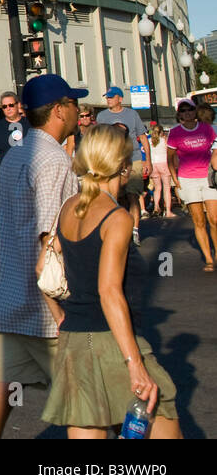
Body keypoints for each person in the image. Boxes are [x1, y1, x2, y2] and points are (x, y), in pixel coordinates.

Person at [39, 125, 181, 438]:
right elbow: (109, 292)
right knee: (161, 416)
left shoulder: (68, 208)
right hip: (114, 341)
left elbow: (41, 270)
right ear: (123, 166)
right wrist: (134, 362)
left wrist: (60, 316)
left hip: (74, 342)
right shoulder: (116, 218)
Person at [0, 74, 83, 439]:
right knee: (85, 401)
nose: (80, 110)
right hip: (44, 308)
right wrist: (61, 309)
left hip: (7, 297)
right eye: (75, 103)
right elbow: (49, 239)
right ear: (60, 110)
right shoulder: (54, 161)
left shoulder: (15, 157)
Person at [166, 98, 217, 271]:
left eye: (190, 110)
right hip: (188, 179)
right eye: (183, 111)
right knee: (199, 220)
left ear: (195, 112)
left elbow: (215, 148)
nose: (187, 113)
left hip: (208, 177)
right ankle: (209, 259)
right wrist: (175, 178)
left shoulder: (206, 129)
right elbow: (170, 157)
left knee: (214, 219)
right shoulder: (175, 133)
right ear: (179, 114)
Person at [95, 87, 151, 244]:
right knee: (116, 196)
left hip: (133, 158)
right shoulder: (101, 116)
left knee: (133, 195)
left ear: (120, 99)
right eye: (107, 97)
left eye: (112, 97)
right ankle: (118, 227)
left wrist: (148, 160)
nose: (109, 100)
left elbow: (142, 137)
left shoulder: (132, 114)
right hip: (112, 161)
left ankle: (134, 230)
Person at [0, 91, 31, 198]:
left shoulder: (30, 124)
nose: (8, 108)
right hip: (6, 179)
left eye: (11, 105)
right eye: (4, 106)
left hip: (28, 177)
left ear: (18, 105)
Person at [147, 123, 174, 218]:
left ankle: (156, 207)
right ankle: (168, 211)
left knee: (157, 188)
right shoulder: (165, 140)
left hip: (153, 165)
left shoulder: (149, 141)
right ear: (162, 132)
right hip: (164, 164)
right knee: (167, 188)